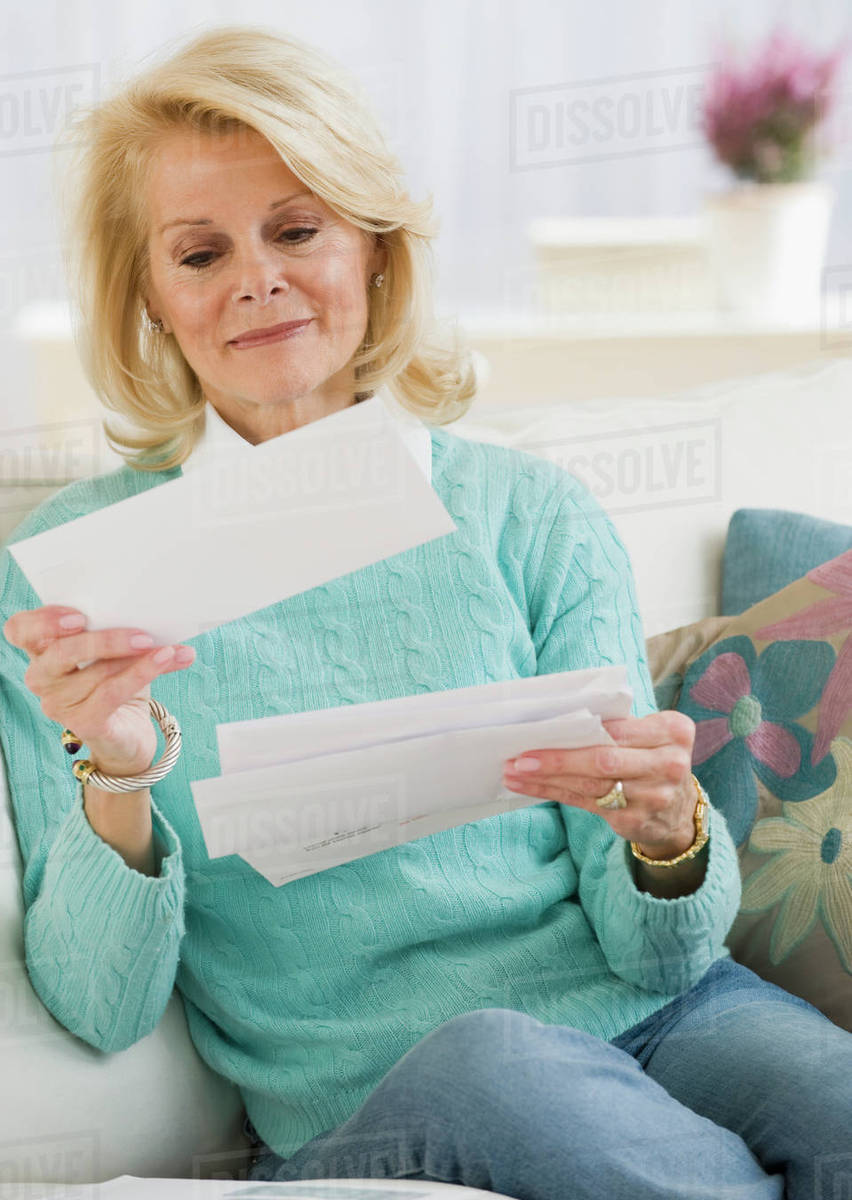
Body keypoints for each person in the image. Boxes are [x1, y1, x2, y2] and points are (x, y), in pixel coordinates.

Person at [0, 25, 849, 1200]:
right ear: (148, 294)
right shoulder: (72, 577)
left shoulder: (529, 513)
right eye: (200, 253)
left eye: (298, 230)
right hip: (391, 1090)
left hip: (670, 1013)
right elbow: (99, 1005)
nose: (257, 278)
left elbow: (665, 951)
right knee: (497, 1059)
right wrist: (121, 770)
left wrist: (665, 838)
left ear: (375, 253)